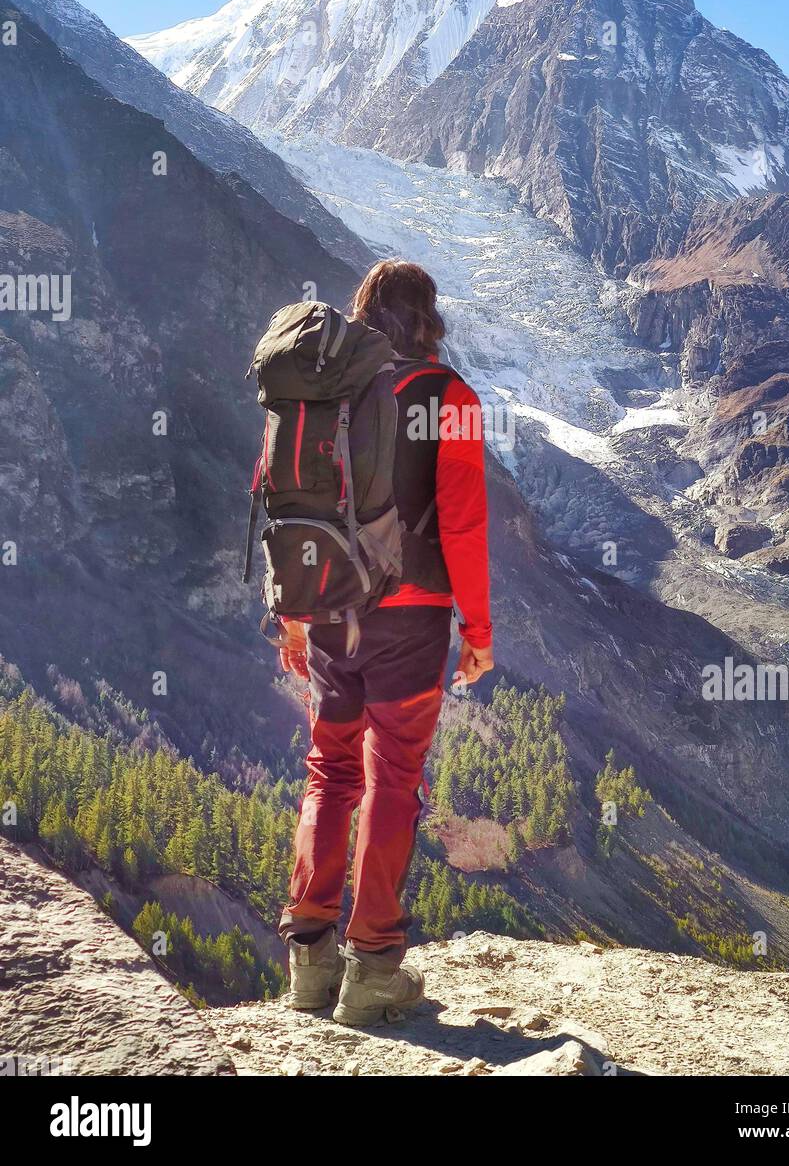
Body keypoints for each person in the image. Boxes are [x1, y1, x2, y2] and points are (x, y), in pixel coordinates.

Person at [276, 260, 494, 1026]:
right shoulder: (451, 398)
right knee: (393, 780)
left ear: (360, 313)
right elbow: (463, 522)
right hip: (411, 619)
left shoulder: (322, 385)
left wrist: (293, 617)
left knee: (329, 772)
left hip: (332, 610)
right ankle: (371, 968)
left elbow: (283, 503)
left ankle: (308, 963)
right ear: (429, 318)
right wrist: (478, 629)